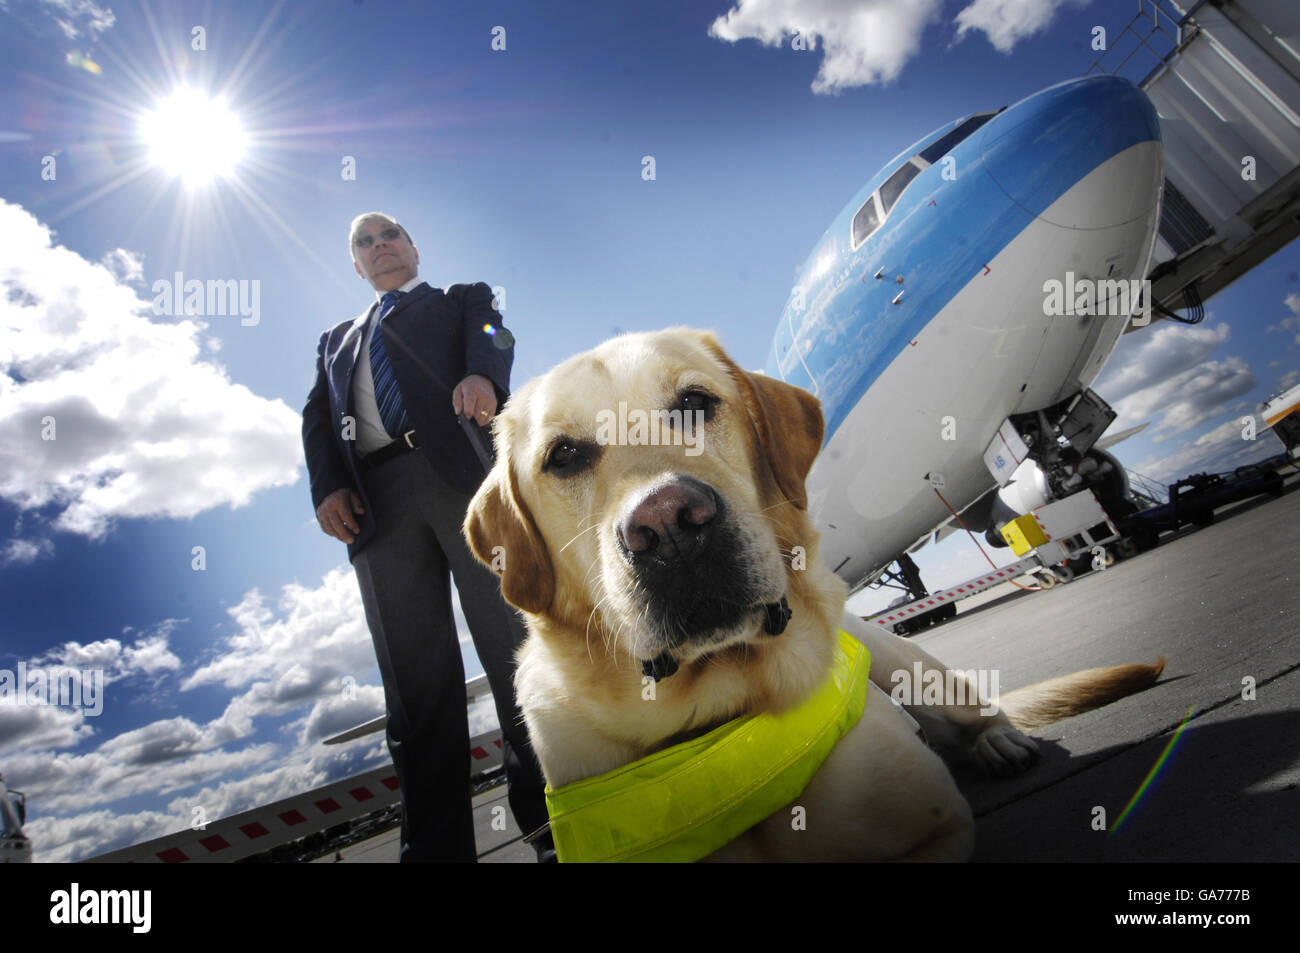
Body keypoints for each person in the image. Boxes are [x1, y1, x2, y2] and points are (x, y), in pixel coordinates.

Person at [301, 211, 551, 862]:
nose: (379, 246)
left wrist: (483, 376)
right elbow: (317, 421)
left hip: (464, 481)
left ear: (413, 248)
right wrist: (327, 486)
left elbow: (494, 333)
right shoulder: (334, 342)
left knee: (516, 652)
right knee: (415, 693)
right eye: (364, 242)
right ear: (356, 266)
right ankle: (436, 853)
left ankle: (557, 825)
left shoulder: (464, 300)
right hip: (376, 511)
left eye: (390, 235)